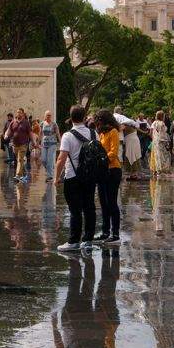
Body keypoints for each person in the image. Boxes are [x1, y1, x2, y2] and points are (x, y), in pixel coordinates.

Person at [55, 105, 99, 252]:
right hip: (90, 176)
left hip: (73, 176)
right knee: (89, 208)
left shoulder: (68, 136)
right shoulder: (94, 134)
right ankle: (88, 240)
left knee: (75, 210)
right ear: (85, 117)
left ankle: (74, 241)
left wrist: (56, 177)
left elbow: (61, 159)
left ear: (71, 117)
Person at [95, 110, 123, 244]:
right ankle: (105, 231)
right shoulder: (101, 133)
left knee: (112, 202)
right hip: (102, 170)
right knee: (103, 203)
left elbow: (114, 151)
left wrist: (103, 159)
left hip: (113, 170)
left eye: (99, 119)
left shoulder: (113, 132)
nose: (97, 121)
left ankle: (115, 233)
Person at [9, 109, 33, 182]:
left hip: (23, 144)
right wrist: (6, 135)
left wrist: (34, 142)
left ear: (23, 114)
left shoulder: (26, 123)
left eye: (20, 112)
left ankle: (18, 175)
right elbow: (9, 130)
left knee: (20, 159)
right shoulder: (13, 122)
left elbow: (30, 133)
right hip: (15, 144)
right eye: (17, 112)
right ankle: (24, 174)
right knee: (19, 159)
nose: (18, 113)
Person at [39, 111, 60, 180]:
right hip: (44, 144)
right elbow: (40, 133)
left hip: (52, 144)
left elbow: (57, 133)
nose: (49, 116)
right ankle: (49, 169)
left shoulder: (54, 124)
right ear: (45, 116)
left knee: (49, 160)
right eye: (47, 115)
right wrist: (38, 142)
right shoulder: (42, 123)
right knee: (43, 160)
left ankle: (50, 176)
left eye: (50, 115)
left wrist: (61, 142)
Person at [151, 111, 171, 177]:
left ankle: (155, 170)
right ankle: (160, 170)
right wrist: (167, 141)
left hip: (155, 141)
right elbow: (162, 134)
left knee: (156, 155)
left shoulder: (154, 122)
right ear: (162, 116)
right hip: (161, 141)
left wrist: (153, 139)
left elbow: (151, 132)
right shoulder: (162, 123)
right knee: (163, 155)